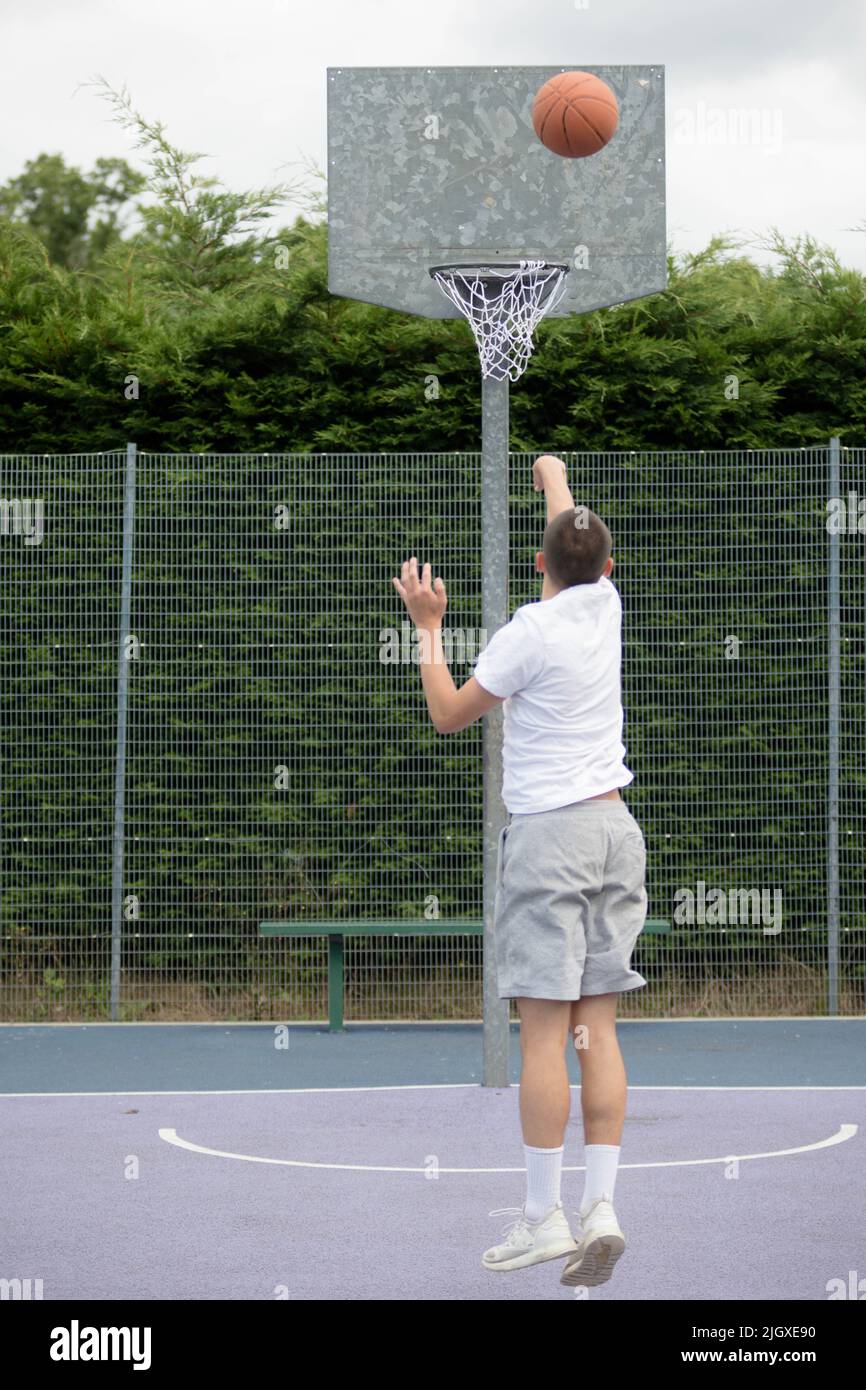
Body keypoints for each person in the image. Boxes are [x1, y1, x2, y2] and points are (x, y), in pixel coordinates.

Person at [392, 453, 648, 1289]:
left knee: (544, 1034)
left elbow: (445, 717)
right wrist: (553, 475)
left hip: (550, 839)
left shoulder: (526, 636)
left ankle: (545, 1221)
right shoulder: (606, 605)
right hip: (617, 829)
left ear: (538, 564)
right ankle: (602, 1207)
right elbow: (574, 534)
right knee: (595, 1030)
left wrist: (428, 625)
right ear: (604, 568)